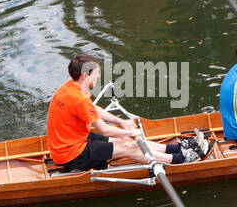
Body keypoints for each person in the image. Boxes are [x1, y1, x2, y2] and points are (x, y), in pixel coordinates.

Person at [48, 54, 210, 172]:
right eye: (96, 73)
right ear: (85, 76)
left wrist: (120, 122)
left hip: (74, 142)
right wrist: (132, 131)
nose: (98, 75)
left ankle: (174, 148)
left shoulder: (71, 87)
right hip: (72, 155)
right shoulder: (79, 98)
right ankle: (180, 159)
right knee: (128, 145)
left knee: (126, 138)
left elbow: (93, 109)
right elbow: (104, 130)